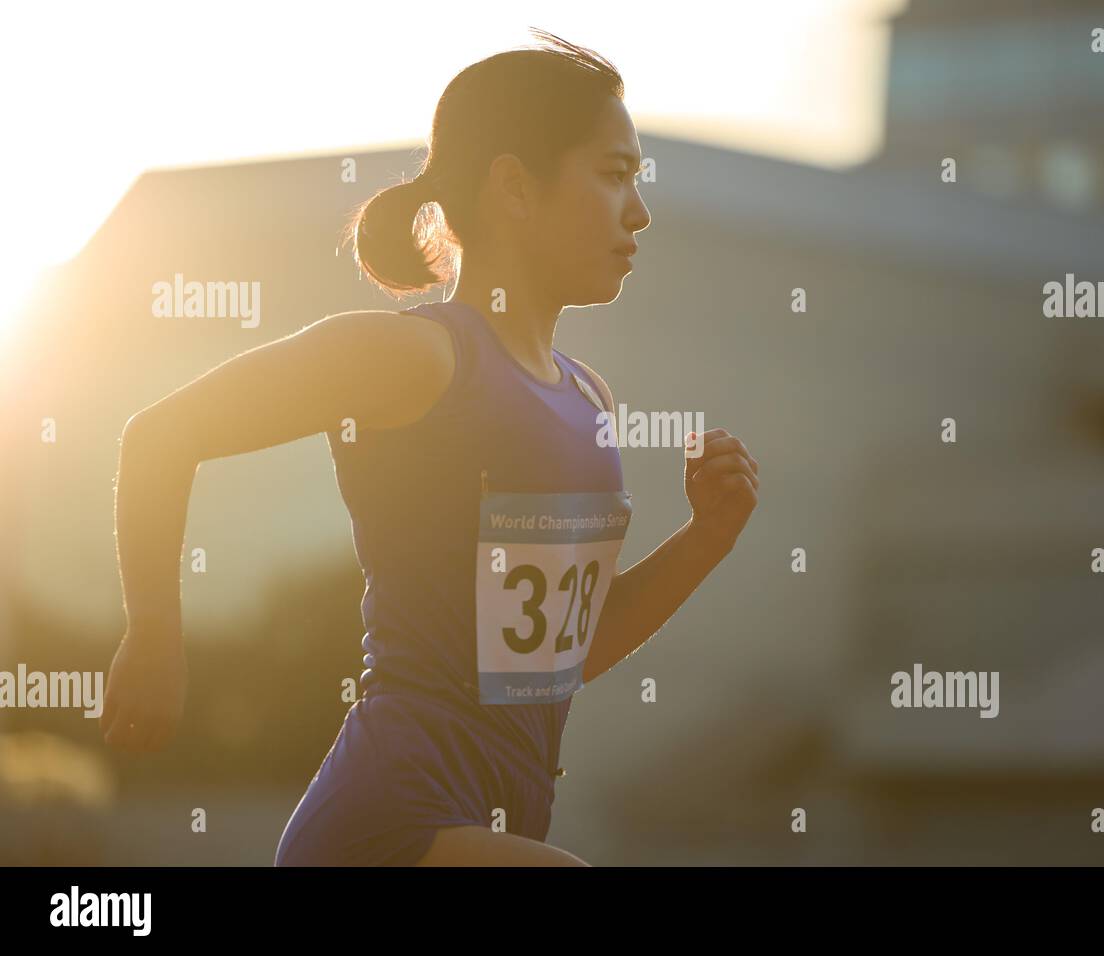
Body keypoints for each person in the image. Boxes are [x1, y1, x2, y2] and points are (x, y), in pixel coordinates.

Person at [101, 28, 759, 866]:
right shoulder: (414, 357)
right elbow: (161, 433)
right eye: (614, 175)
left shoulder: (589, 396)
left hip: (505, 818)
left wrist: (708, 538)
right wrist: (155, 629)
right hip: (389, 821)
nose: (641, 210)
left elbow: (563, 659)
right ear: (515, 187)